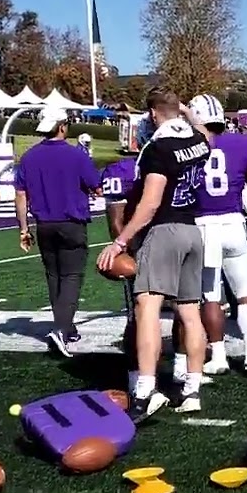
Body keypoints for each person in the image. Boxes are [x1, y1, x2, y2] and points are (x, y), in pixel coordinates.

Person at [98, 87, 211, 422]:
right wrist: (188, 113)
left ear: (151, 114)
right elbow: (206, 135)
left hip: (165, 231)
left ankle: (146, 391)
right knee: (190, 312)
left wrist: (120, 242)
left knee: (146, 305)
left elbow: (149, 204)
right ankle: (192, 388)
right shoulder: (196, 141)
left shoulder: (157, 149)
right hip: (194, 231)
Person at [188, 93, 247, 376]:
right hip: (233, 223)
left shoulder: (186, 145)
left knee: (210, 297)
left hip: (201, 225)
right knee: (246, 295)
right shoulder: (242, 142)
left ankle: (219, 356)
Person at [13, 106, 102, 357]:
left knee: (54, 276)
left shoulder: (30, 157)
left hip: (44, 225)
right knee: (72, 277)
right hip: (72, 222)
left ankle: (66, 326)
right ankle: (61, 329)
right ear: (63, 126)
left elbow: (21, 195)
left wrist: (23, 228)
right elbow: (97, 188)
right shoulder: (77, 155)